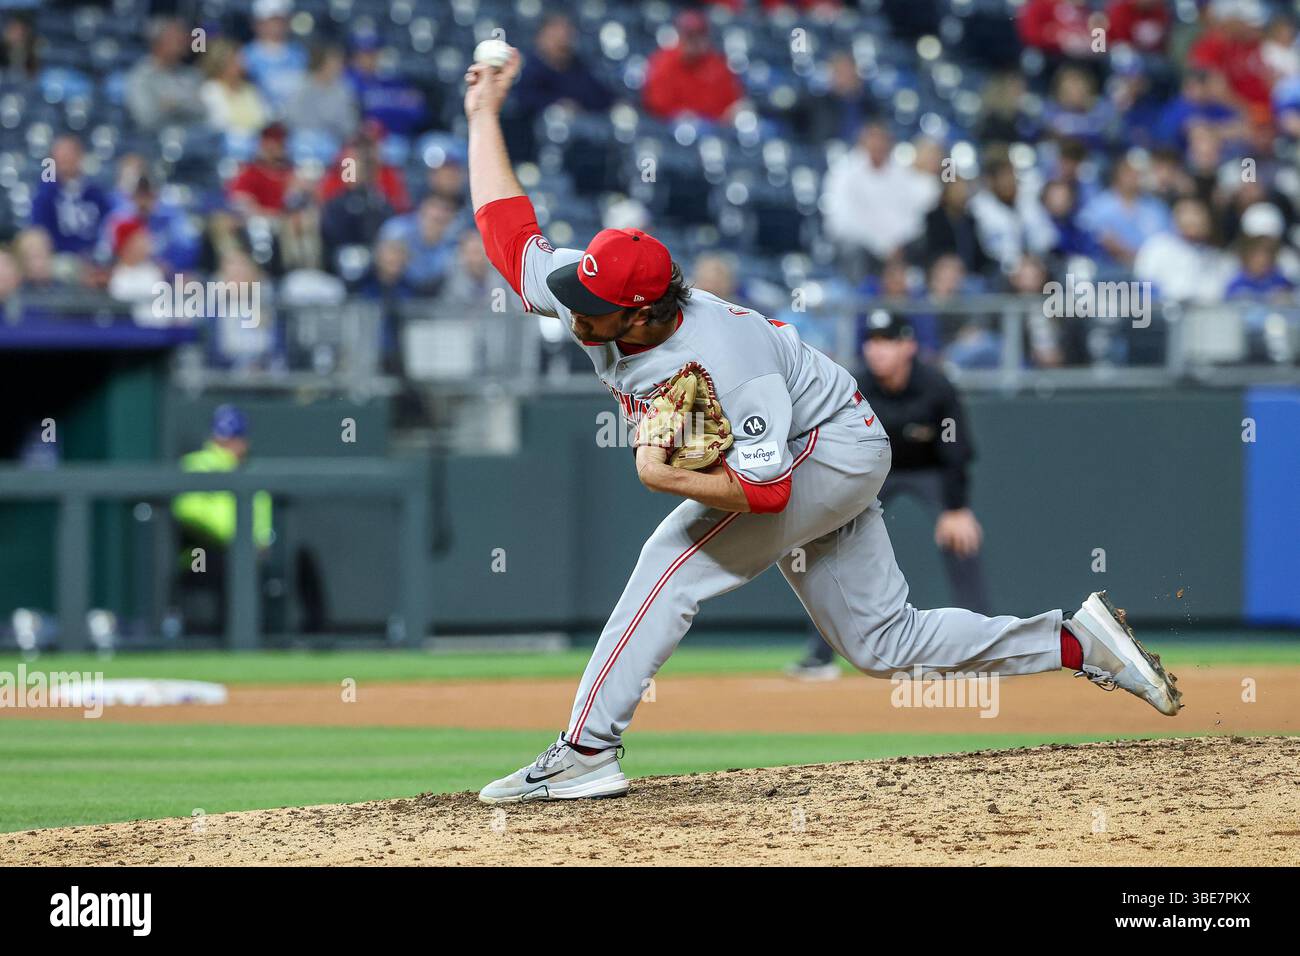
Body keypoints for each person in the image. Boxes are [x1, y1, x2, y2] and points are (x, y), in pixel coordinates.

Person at [464, 48, 1183, 804]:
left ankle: (587, 749)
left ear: (644, 311)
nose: (574, 305)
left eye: (592, 300)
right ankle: (1075, 641)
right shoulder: (596, 292)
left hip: (826, 447)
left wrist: (665, 475)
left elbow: (768, 492)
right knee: (883, 642)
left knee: (670, 563)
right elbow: (508, 233)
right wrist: (483, 114)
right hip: (818, 443)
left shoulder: (723, 361)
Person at [788, 310, 992, 679]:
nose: (877, 351)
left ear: (909, 345)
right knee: (827, 544)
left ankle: (982, 648)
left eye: (888, 341)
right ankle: (820, 655)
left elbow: (956, 451)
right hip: (870, 471)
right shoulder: (854, 385)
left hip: (927, 470)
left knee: (961, 540)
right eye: (872, 342)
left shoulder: (936, 386)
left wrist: (957, 507)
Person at [642, 10, 743, 122]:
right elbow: (657, 105)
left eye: (699, 35)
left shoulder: (717, 64)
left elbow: (732, 101)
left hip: (715, 127)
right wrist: (682, 114)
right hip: (672, 128)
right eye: (690, 36)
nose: (694, 42)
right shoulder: (663, 62)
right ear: (680, 37)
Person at [29, 136, 113, 256]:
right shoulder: (45, 194)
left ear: (80, 156)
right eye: (61, 157)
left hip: (93, 255)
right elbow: (39, 228)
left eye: (69, 155)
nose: (65, 161)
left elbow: (107, 222)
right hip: (58, 256)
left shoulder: (94, 192)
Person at [125, 17, 206, 132]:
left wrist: (173, 104)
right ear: (158, 43)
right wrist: (182, 105)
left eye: (182, 39)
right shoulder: (140, 76)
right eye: (175, 40)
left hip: (190, 140)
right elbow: (145, 118)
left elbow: (202, 111)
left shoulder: (191, 75)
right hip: (151, 142)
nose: (181, 44)